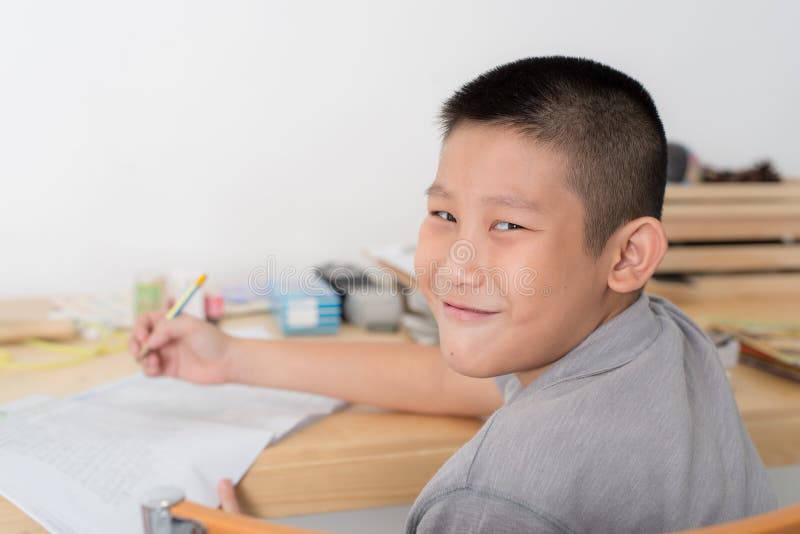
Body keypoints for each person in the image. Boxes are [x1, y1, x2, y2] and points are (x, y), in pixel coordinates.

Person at [130, 56, 776, 533]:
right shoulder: (662, 343)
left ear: (628, 254)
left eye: (509, 225)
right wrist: (233, 358)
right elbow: (449, 383)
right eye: (444, 217)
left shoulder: (493, 496)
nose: (457, 265)